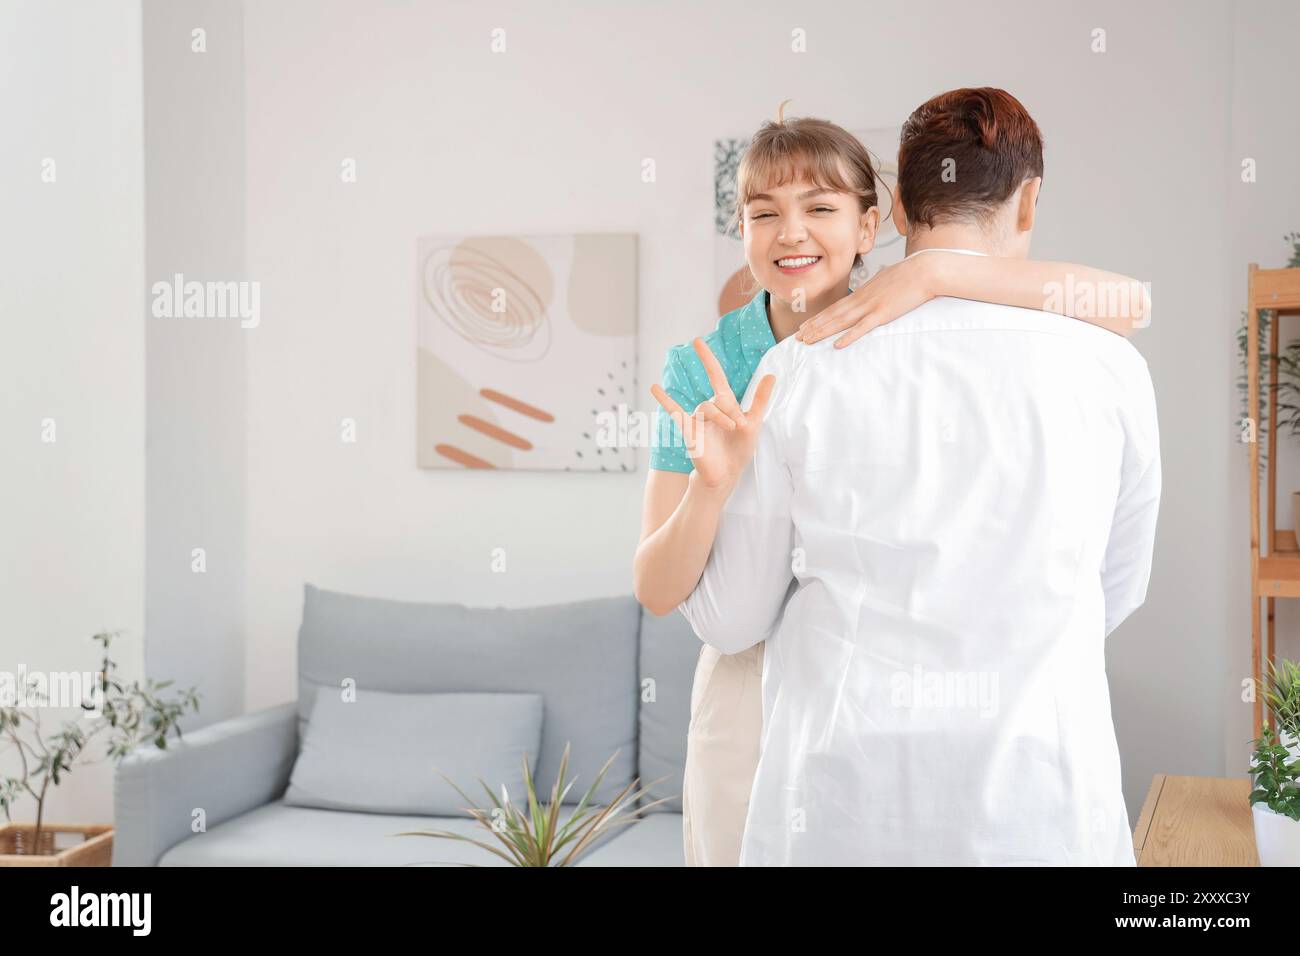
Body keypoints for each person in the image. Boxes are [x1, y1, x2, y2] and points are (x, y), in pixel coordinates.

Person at [633, 98, 1152, 866]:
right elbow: (1117, 586)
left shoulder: (799, 373)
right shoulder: (1108, 364)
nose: (793, 233)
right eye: (763, 212)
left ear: (886, 216)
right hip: (1038, 791)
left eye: (819, 206)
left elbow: (733, 613)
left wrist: (936, 271)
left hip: (837, 790)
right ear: (1030, 198)